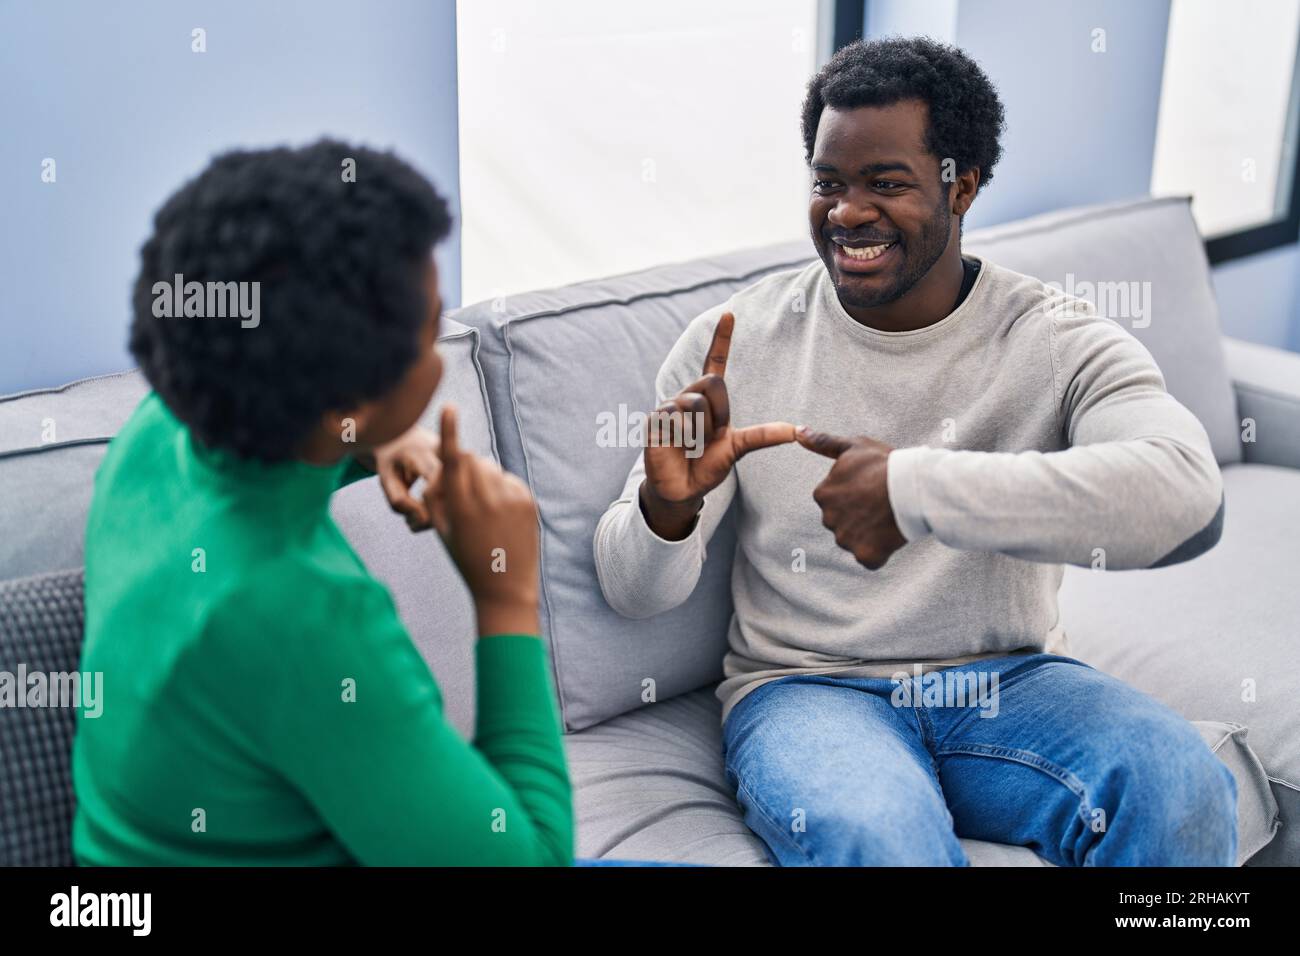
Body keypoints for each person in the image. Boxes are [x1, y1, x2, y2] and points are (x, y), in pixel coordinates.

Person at [593, 37, 1237, 866]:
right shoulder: (732, 342)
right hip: (807, 691)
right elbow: (632, 592)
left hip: (1009, 681)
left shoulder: (1053, 338)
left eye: (886, 183)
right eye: (828, 182)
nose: (847, 212)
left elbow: (1187, 496)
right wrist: (666, 508)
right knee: (879, 838)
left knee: (1177, 783)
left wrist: (911, 487)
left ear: (961, 185)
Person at [72, 140, 572, 865]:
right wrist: (506, 595)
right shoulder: (306, 618)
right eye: (431, 330)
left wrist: (369, 441)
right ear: (352, 398)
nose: (441, 349)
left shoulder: (154, 440)